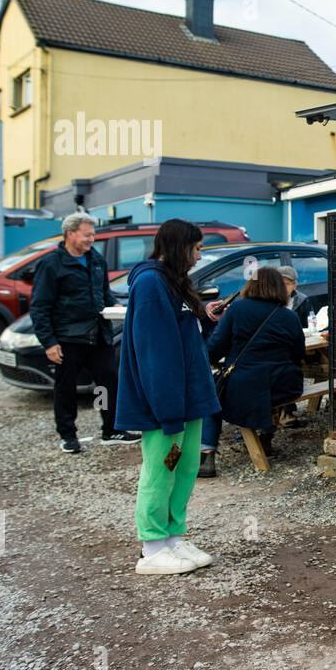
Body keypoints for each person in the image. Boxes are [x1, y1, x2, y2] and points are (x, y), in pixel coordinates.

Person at [115, 219, 221, 575]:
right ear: (179, 247)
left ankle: (173, 536)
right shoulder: (149, 283)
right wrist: (167, 408)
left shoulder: (171, 281)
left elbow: (178, 332)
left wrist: (204, 315)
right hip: (166, 401)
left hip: (188, 396)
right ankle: (152, 545)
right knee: (162, 469)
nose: (199, 254)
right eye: (197, 247)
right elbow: (154, 353)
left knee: (185, 467)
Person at [29, 211, 138, 453]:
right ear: (70, 234)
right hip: (68, 338)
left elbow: (103, 292)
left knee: (106, 383)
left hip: (98, 334)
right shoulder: (51, 265)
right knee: (66, 388)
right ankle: (68, 435)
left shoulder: (96, 260)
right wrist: (49, 342)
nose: (92, 239)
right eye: (87, 235)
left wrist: (113, 305)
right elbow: (40, 306)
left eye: (93, 235)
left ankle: (110, 430)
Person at [199, 267, 305, 477]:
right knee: (258, 389)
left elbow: (214, 349)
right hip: (285, 387)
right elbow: (298, 354)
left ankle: (206, 453)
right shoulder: (289, 316)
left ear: (251, 285)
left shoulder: (238, 310)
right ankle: (265, 435)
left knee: (210, 392)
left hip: (246, 387)